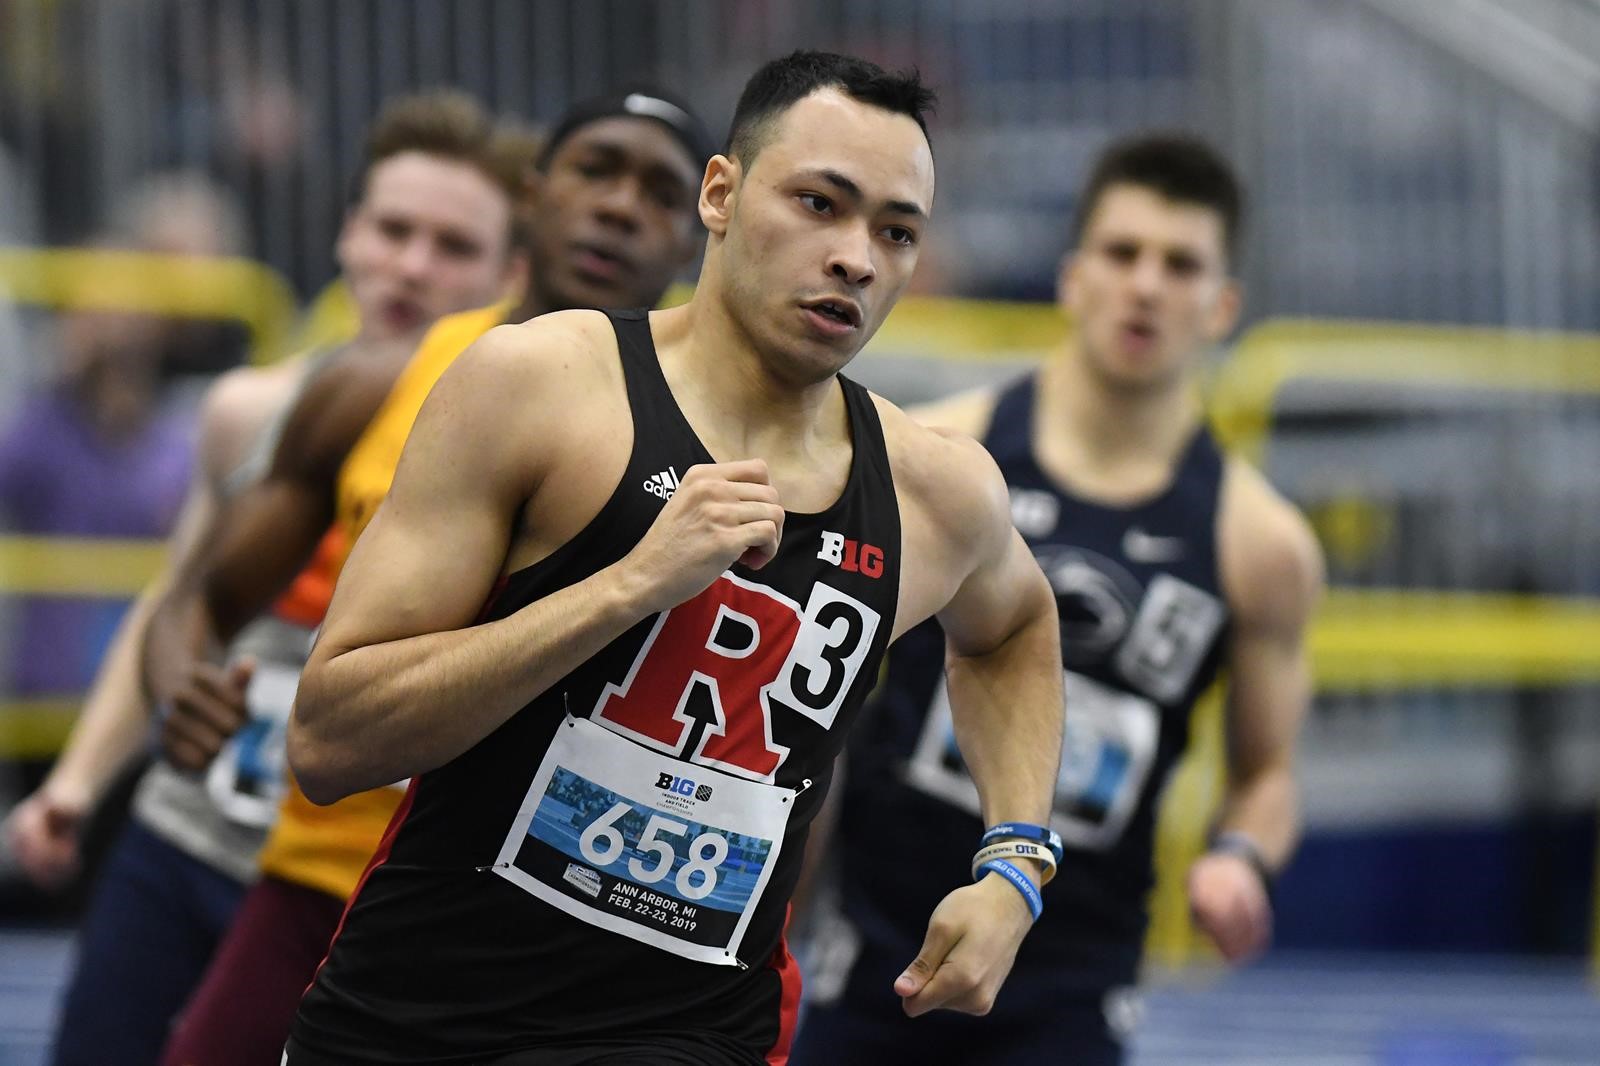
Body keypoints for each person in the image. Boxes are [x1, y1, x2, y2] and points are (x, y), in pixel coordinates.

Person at [282, 50, 1064, 1066]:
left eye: (895, 231)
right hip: (414, 1021)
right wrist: (628, 585)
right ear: (719, 193)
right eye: (819, 204)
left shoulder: (936, 492)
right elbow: (332, 738)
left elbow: (1013, 628)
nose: (855, 259)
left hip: (690, 1037)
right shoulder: (541, 386)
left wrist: (1014, 862)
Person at [147, 87, 712, 1066]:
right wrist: (180, 688)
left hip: (539, 914)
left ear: (699, 238)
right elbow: (200, 596)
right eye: (595, 170)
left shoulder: (715, 451)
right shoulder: (383, 379)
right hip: (321, 866)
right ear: (529, 199)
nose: (620, 205)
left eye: (660, 191)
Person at [6, 90, 528, 1066]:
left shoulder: (532, 460)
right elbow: (180, 605)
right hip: (186, 835)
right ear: (346, 232)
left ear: (511, 272)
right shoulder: (249, 412)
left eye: (453, 247)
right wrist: (76, 783)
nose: (412, 265)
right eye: (392, 229)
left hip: (346, 885)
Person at [788, 133, 1326, 1066]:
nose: (1146, 286)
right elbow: (822, 690)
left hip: (1074, 977)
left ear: (1223, 305)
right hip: (880, 947)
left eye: (1180, 263)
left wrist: (1240, 859)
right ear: (1074, 277)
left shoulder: (1259, 542)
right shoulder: (940, 458)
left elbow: (1268, 772)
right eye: (1122, 255)